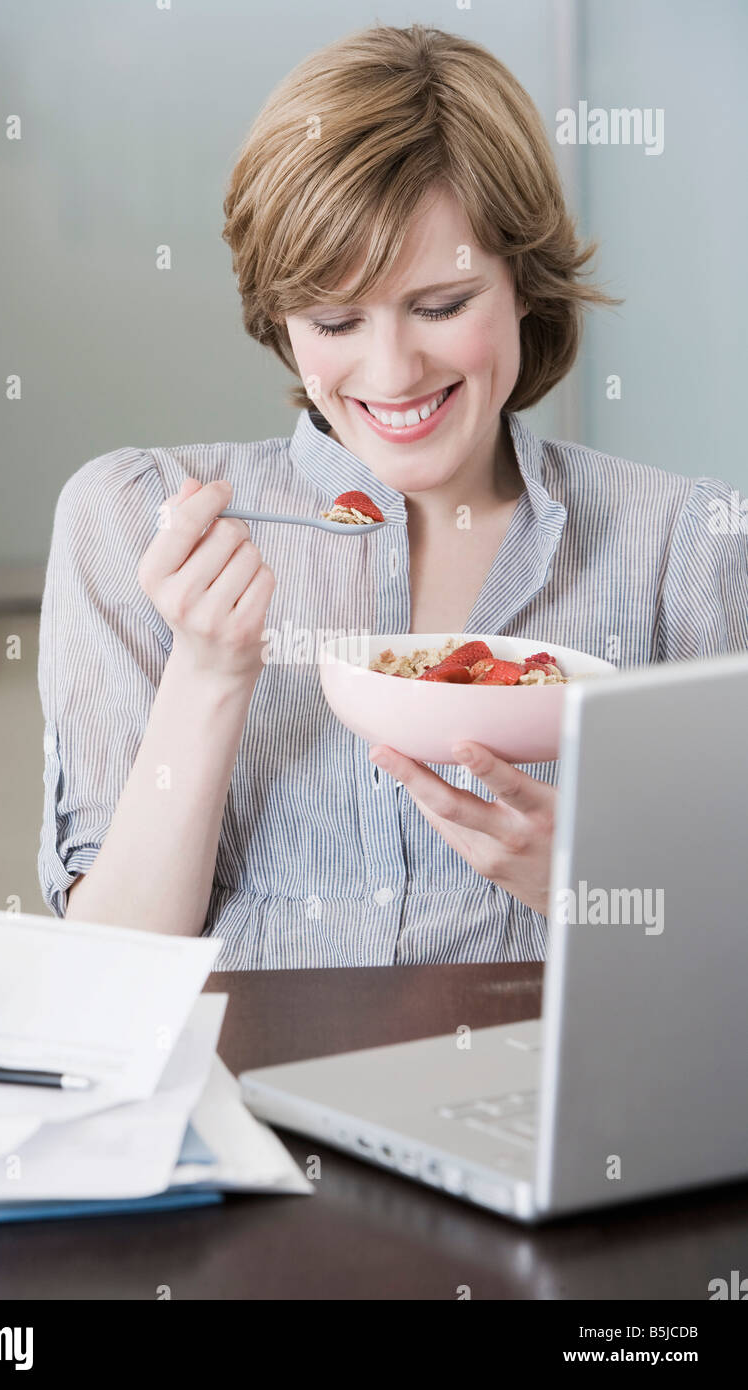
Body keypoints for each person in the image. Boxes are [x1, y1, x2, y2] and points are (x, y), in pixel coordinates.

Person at [37, 24, 747, 968]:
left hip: (528, 1102)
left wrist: (594, 889)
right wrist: (207, 674)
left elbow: (722, 956)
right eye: (334, 321)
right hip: (236, 1092)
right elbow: (109, 967)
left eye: (441, 307)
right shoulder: (131, 518)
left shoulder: (684, 550)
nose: (392, 371)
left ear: (524, 285)